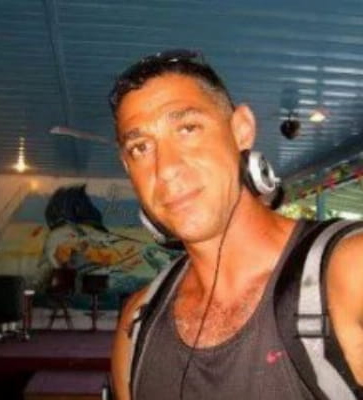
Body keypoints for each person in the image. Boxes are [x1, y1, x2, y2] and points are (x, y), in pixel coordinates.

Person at [108, 50, 363, 400]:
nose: (165, 169)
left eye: (187, 128)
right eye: (140, 148)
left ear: (241, 129)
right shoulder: (137, 324)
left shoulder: (349, 272)